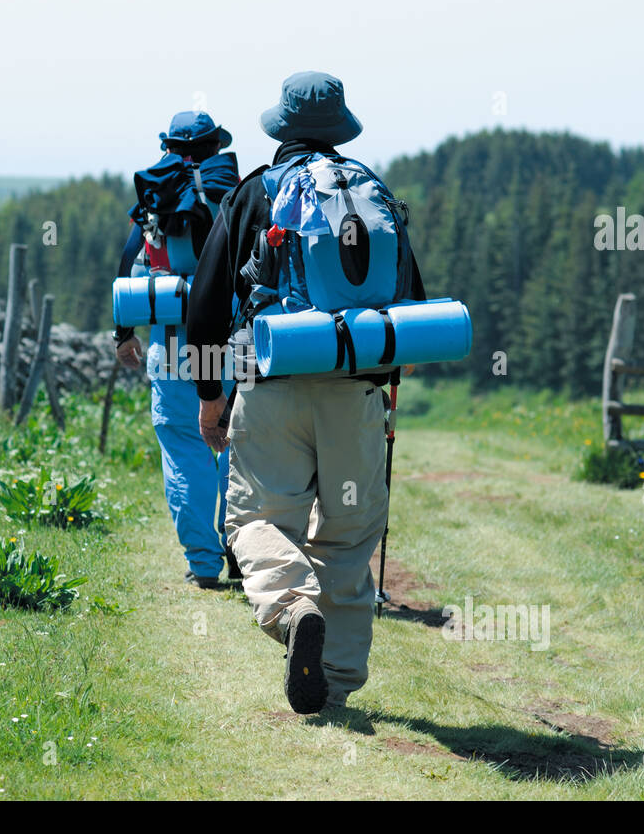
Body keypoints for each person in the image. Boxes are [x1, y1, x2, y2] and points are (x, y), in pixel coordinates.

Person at [186, 73, 426, 713]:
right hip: (355, 389)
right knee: (348, 536)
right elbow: (414, 303)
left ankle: (294, 610)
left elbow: (206, 304)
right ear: (339, 128)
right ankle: (337, 683)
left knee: (258, 518)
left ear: (282, 128)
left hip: (270, 383)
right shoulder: (370, 195)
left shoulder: (255, 193)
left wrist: (212, 395)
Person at [114, 111, 242, 589]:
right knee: (234, 447)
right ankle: (242, 552)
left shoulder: (156, 197)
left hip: (171, 350)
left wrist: (123, 333)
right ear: (215, 147)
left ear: (169, 146)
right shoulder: (230, 191)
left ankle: (203, 566)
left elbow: (129, 261)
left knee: (185, 452)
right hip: (230, 345)